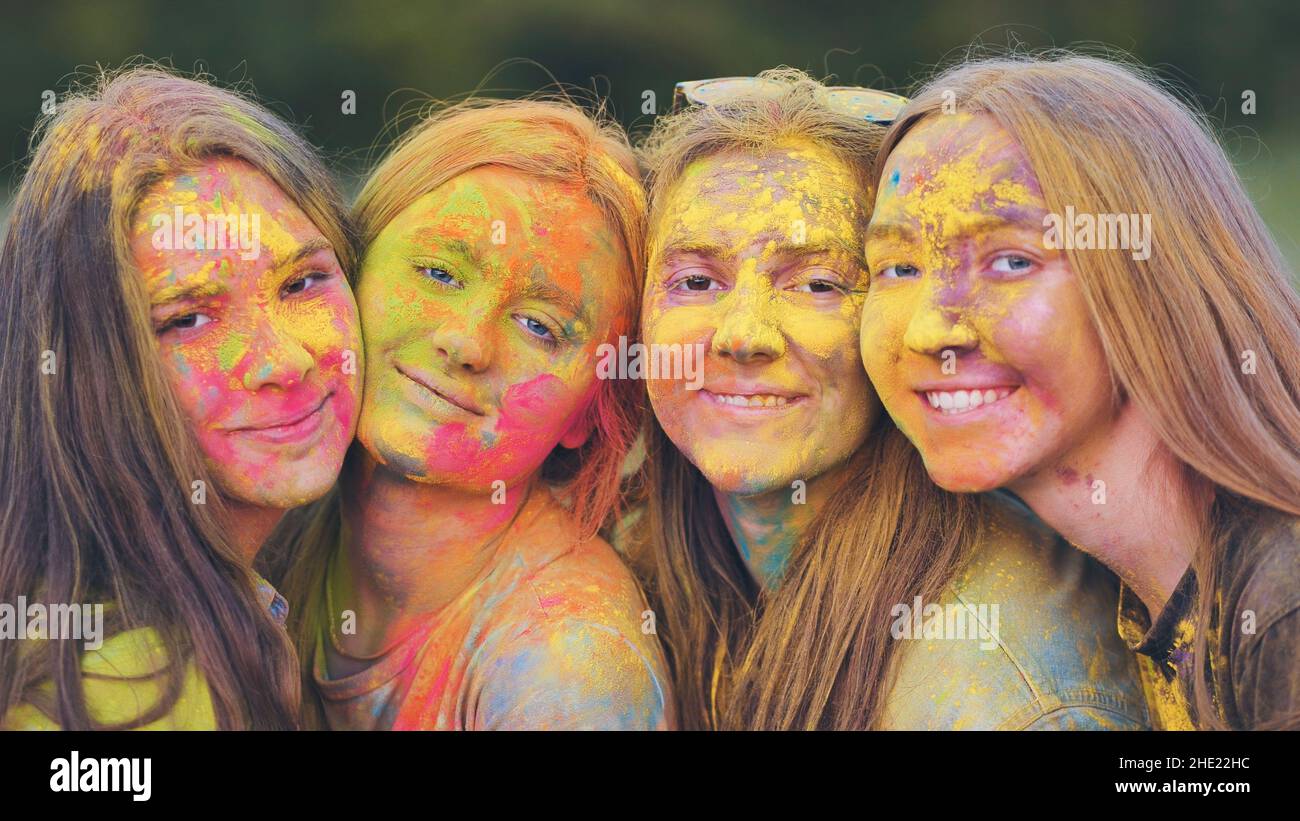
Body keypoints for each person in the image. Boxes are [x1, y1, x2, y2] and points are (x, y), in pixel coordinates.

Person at [635, 68, 1148, 730]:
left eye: (818, 283)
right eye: (697, 281)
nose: (744, 335)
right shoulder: (643, 564)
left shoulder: (1001, 691)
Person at [861, 54, 1300, 729]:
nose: (929, 327)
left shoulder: (1283, 607)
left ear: (1157, 282)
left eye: (1011, 261)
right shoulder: (1126, 588)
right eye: (897, 266)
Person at [277, 97, 673, 730]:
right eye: (438, 273)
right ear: (346, 275)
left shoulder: (572, 671)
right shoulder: (268, 514)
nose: (465, 343)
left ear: (590, 410)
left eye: (538, 327)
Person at [0, 67, 362, 729]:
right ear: (87, 370)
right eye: (188, 319)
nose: (282, 359)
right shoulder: (121, 693)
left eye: (302, 282)